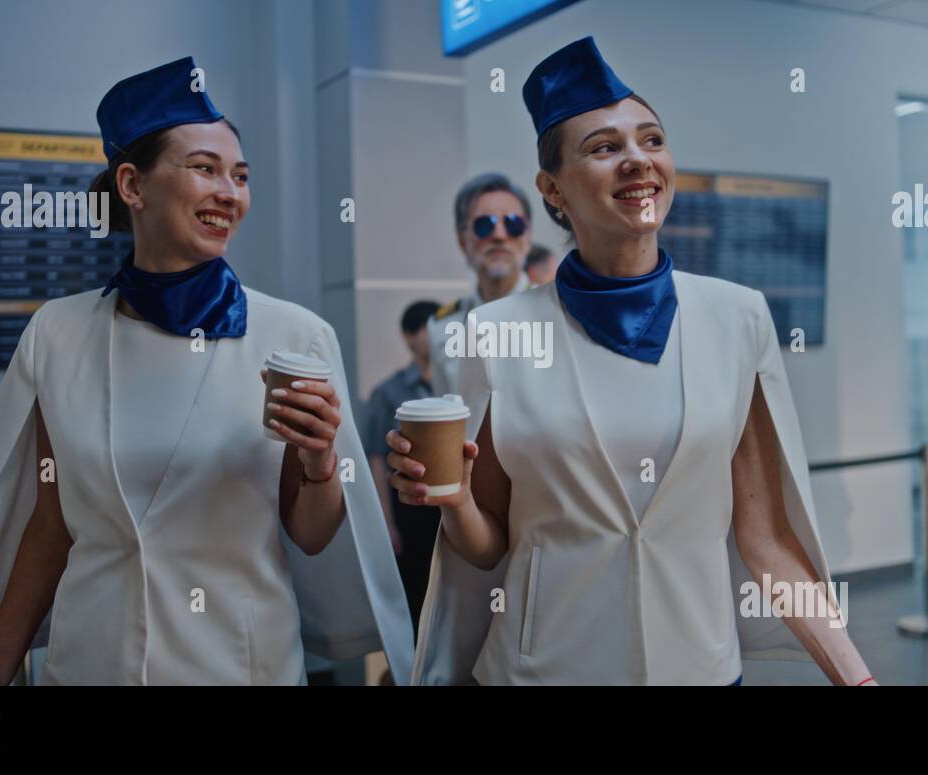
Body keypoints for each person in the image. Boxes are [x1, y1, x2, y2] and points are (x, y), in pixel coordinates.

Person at [0, 57, 413, 686]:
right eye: (204, 169)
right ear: (132, 186)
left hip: (239, 668)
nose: (230, 193)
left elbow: (308, 534)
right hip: (90, 666)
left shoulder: (293, 337)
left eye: (241, 176)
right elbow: (49, 528)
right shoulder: (59, 336)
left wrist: (319, 462)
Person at [391, 38, 876, 686]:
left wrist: (858, 678)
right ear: (553, 190)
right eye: (604, 147)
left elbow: (769, 540)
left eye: (651, 140)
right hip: (542, 670)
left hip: (699, 668)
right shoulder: (493, 332)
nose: (637, 161)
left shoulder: (738, 318)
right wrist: (451, 500)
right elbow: (490, 541)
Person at [361, 300, 441, 643]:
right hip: (409, 512)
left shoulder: (462, 384)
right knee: (415, 602)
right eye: (428, 329)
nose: (436, 337)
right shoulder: (388, 392)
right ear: (409, 336)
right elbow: (376, 459)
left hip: (452, 509)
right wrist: (387, 523)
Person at [427, 173, 534, 396]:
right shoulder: (441, 327)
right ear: (462, 240)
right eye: (484, 225)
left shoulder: (557, 315)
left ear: (527, 238)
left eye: (513, 224)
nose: (499, 235)